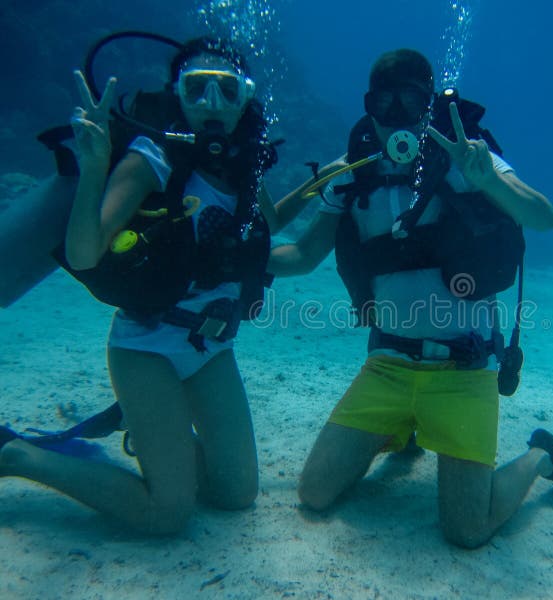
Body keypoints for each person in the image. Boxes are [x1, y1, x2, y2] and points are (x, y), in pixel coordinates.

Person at [0, 36, 322, 534]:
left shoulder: (245, 162)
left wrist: (323, 185)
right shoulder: (154, 156)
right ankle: (18, 455)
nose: (212, 103)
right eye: (196, 89)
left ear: (245, 98)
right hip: (146, 345)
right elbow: (84, 254)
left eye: (226, 90)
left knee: (235, 494)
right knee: (167, 512)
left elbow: (271, 222)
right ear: (177, 94)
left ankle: (149, 423)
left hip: (211, 346)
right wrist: (93, 166)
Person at [268, 49, 553, 548]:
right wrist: (231, 256)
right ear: (369, 107)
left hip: (464, 371)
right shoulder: (351, 174)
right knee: (314, 492)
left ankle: (539, 456)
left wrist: (488, 179)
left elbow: (544, 217)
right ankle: (402, 429)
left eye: (411, 101)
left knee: (467, 529)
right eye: (384, 103)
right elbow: (301, 255)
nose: (397, 115)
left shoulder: (469, 160)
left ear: (429, 106)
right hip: (388, 366)